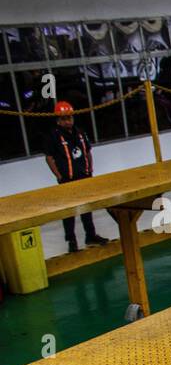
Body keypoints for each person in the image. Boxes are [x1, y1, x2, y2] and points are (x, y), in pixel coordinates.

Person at [43, 101, 108, 253]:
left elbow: (88, 151)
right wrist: (59, 176)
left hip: (83, 175)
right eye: (65, 118)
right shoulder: (53, 136)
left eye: (70, 117)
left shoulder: (80, 132)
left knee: (87, 207)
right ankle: (71, 240)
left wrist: (90, 169)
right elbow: (49, 158)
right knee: (69, 211)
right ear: (58, 119)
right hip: (67, 179)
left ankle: (90, 235)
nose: (68, 121)